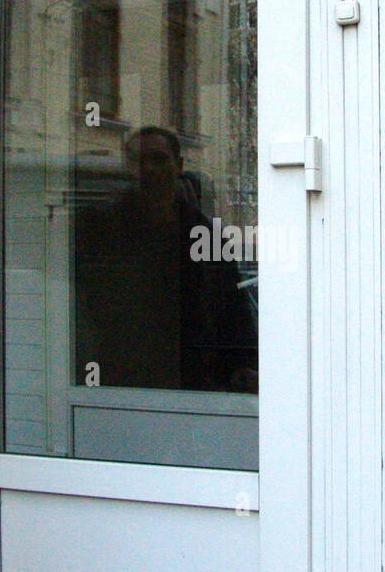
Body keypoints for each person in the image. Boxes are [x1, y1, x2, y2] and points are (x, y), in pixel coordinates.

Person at [73, 125, 258, 393]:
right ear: (128, 166)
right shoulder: (99, 227)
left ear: (178, 166)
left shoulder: (204, 234)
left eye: (158, 159)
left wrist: (242, 366)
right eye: (139, 159)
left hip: (192, 377)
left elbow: (232, 309)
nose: (149, 168)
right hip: (121, 377)